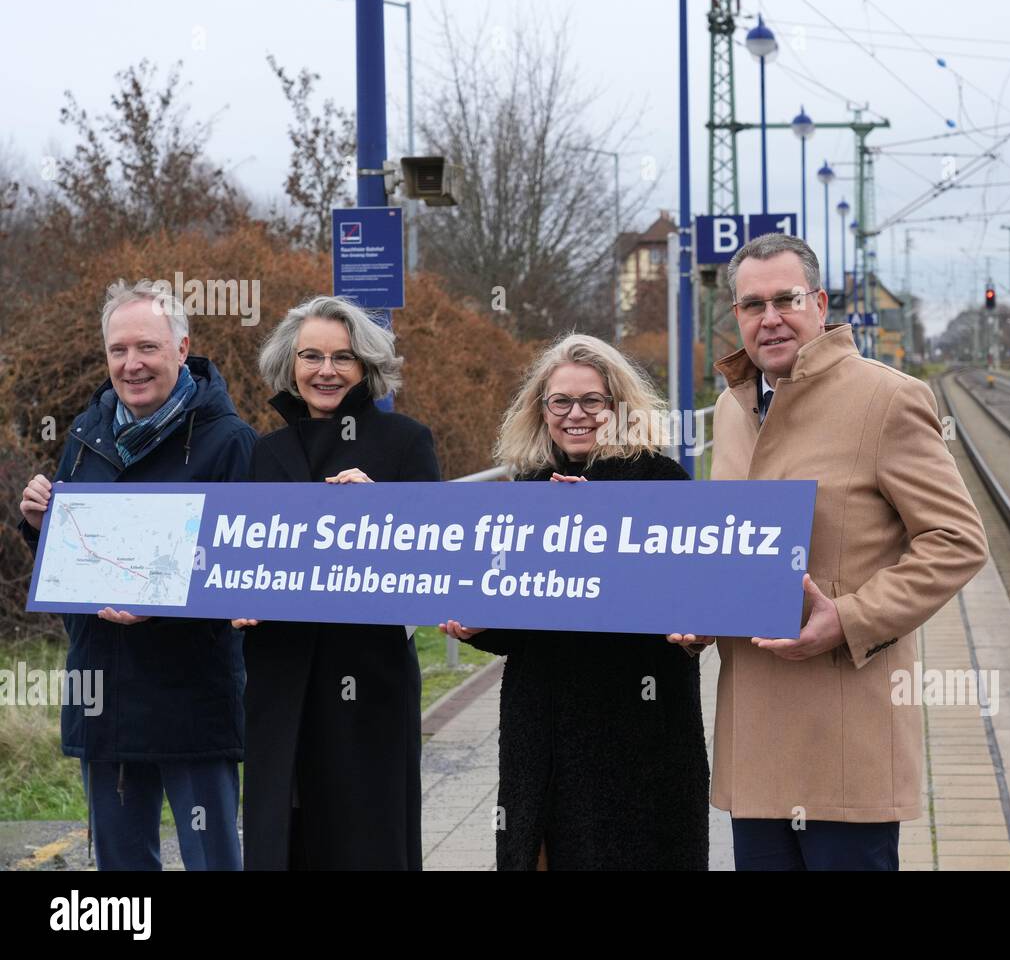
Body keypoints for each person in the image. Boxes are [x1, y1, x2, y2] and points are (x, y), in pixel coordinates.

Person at [670, 233, 989, 871]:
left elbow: (956, 541)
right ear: (736, 315)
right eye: (752, 305)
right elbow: (731, 547)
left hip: (846, 740)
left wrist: (848, 618)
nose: (770, 318)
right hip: (754, 745)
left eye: (785, 300)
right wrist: (702, 610)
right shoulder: (733, 409)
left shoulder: (887, 398)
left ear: (818, 303)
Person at [440, 333, 709, 871]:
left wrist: (599, 527)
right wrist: (478, 628)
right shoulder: (528, 489)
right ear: (541, 410)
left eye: (593, 401)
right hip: (540, 729)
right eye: (560, 401)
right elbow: (514, 617)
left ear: (619, 407)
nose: (575, 414)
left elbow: (693, 601)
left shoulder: (663, 481)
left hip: (639, 729)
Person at [17, 279, 255, 870]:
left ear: (182, 349)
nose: (132, 364)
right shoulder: (83, 435)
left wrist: (168, 600)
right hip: (104, 700)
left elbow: (250, 570)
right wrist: (38, 525)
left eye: (147, 347)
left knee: (214, 863)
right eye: (118, 350)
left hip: (192, 698)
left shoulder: (230, 443)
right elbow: (72, 558)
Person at [238, 295, 440, 870]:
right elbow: (240, 556)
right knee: (284, 834)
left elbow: (435, 564)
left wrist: (384, 517)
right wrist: (233, 599)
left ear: (366, 367)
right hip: (280, 680)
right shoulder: (264, 451)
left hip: (367, 680)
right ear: (290, 365)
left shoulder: (406, 441)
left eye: (342, 358)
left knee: (366, 836)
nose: (326, 371)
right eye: (311, 356)